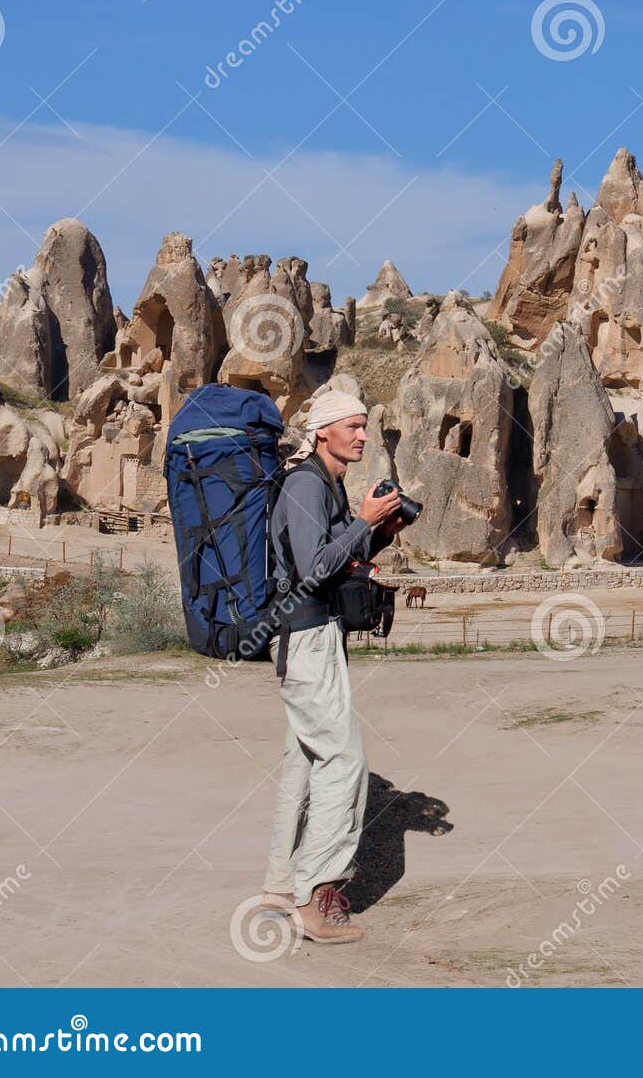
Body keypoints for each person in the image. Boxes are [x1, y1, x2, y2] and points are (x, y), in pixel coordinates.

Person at [260, 392, 403, 944]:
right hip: (306, 636)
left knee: (303, 760)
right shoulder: (303, 484)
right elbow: (314, 567)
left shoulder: (328, 484)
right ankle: (316, 899)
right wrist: (362, 518)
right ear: (323, 432)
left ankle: (278, 886)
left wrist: (378, 526)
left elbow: (341, 556)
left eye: (366, 426)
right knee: (344, 761)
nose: (364, 436)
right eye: (354, 426)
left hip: (321, 635)